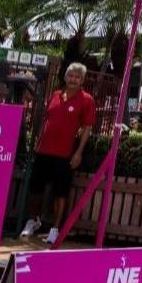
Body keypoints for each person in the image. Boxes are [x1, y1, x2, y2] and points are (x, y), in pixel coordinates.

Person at [22, 62, 95, 244]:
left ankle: (55, 229)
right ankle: (33, 221)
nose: (73, 79)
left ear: (82, 80)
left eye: (77, 77)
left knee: (60, 193)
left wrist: (78, 153)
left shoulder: (87, 100)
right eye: (71, 76)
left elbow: (87, 128)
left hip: (65, 154)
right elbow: (46, 120)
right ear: (65, 77)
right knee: (35, 189)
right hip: (44, 150)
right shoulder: (55, 95)